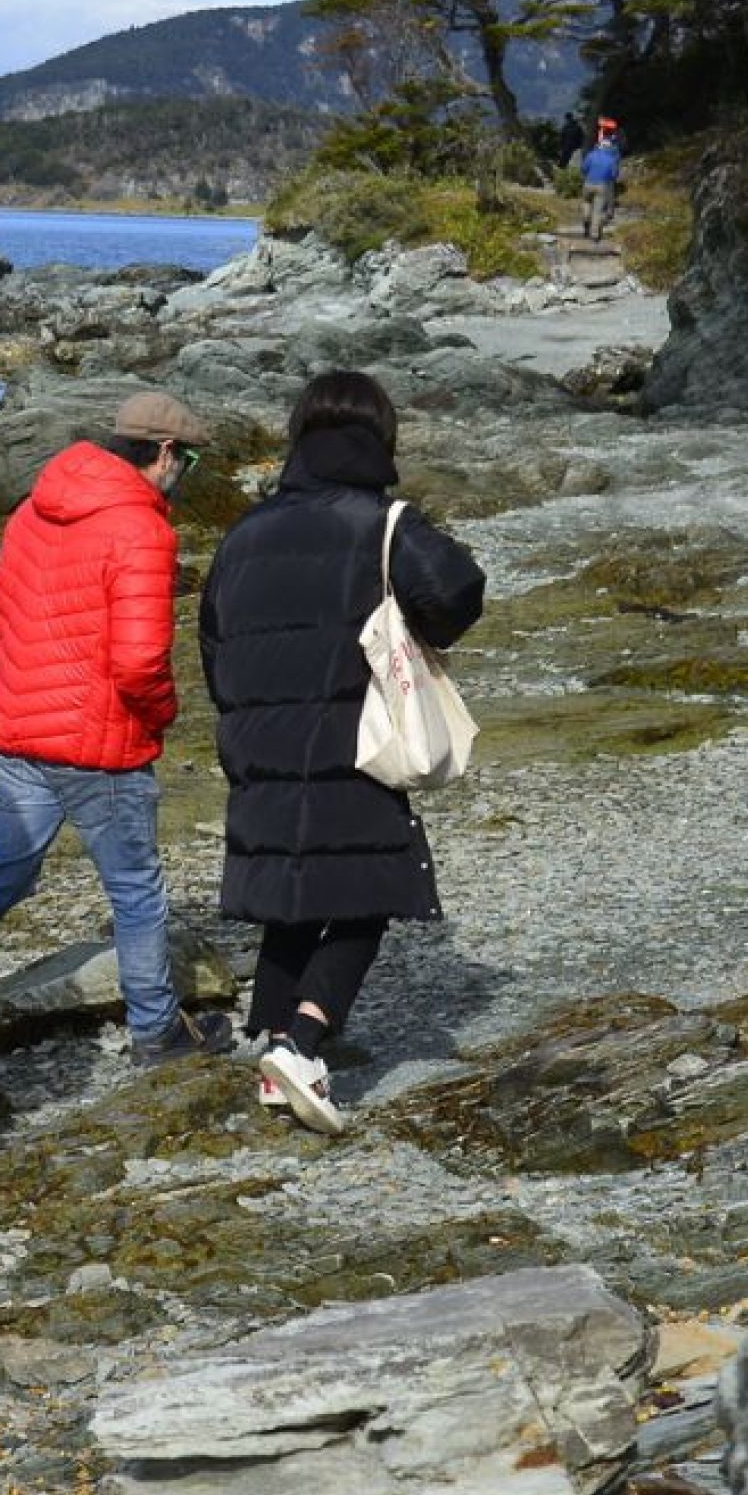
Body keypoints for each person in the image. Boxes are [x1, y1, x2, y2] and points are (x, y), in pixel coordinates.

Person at [0, 390, 230, 1081]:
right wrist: (160, 712)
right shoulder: (142, 531)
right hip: (102, 746)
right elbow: (137, 663)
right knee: (135, 891)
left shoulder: (33, 508)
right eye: (186, 460)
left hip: (22, 732)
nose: (185, 473)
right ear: (163, 453)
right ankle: (157, 1032)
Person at [199, 369, 486, 1135]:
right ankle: (301, 1041)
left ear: (301, 437)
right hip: (350, 737)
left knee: (297, 886)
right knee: (372, 886)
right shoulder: (381, 522)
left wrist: (248, 723)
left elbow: (212, 647)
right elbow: (458, 591)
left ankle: (266, 1035)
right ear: (379, 437)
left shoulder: (243, 535)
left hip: (257, 739)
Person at [582, 127, 622, 241]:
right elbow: (614, 175)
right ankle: (594, 235)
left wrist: (588, 174)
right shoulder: (611, 159)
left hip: (588, 183)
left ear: (599, 145)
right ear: (609, 147)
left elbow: (584, 169)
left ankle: (586, 219)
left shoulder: (591, 155)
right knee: (597, 210)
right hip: (602, 185)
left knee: (586, 202)